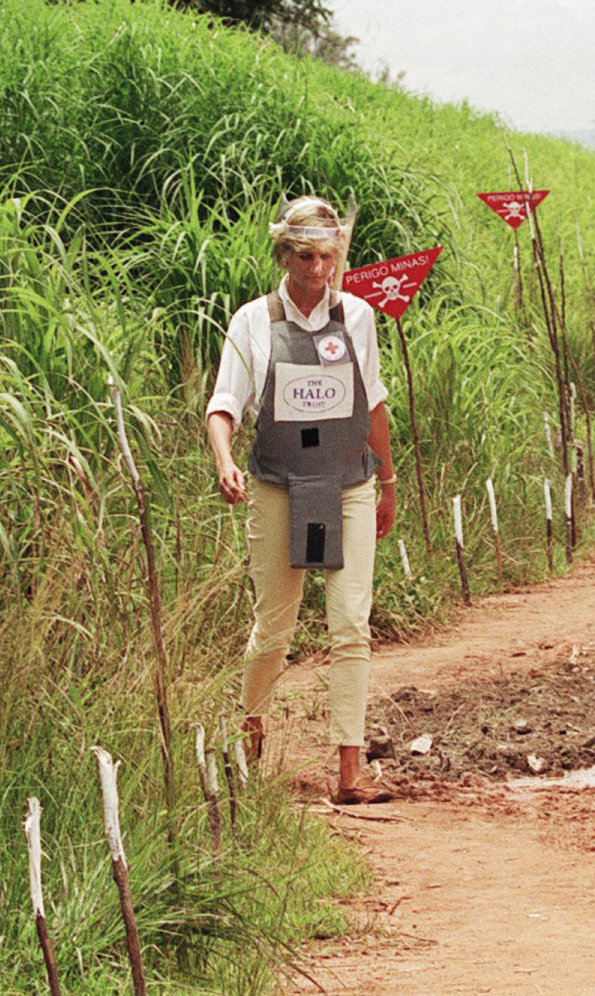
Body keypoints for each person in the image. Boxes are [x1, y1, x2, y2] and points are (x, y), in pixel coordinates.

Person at [204, 196, 399, 805]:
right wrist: (225, 461)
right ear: (284, 256)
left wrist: (388, 482)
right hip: (277, 486)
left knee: (351, 625)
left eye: (328, 257)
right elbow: (224, 405)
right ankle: (250, 737)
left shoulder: (358, 317)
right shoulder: (252, 321)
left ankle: (350, 770)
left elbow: (372, 403)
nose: (319, 270)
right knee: (275, 627)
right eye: (306, 257)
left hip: (349, 485)